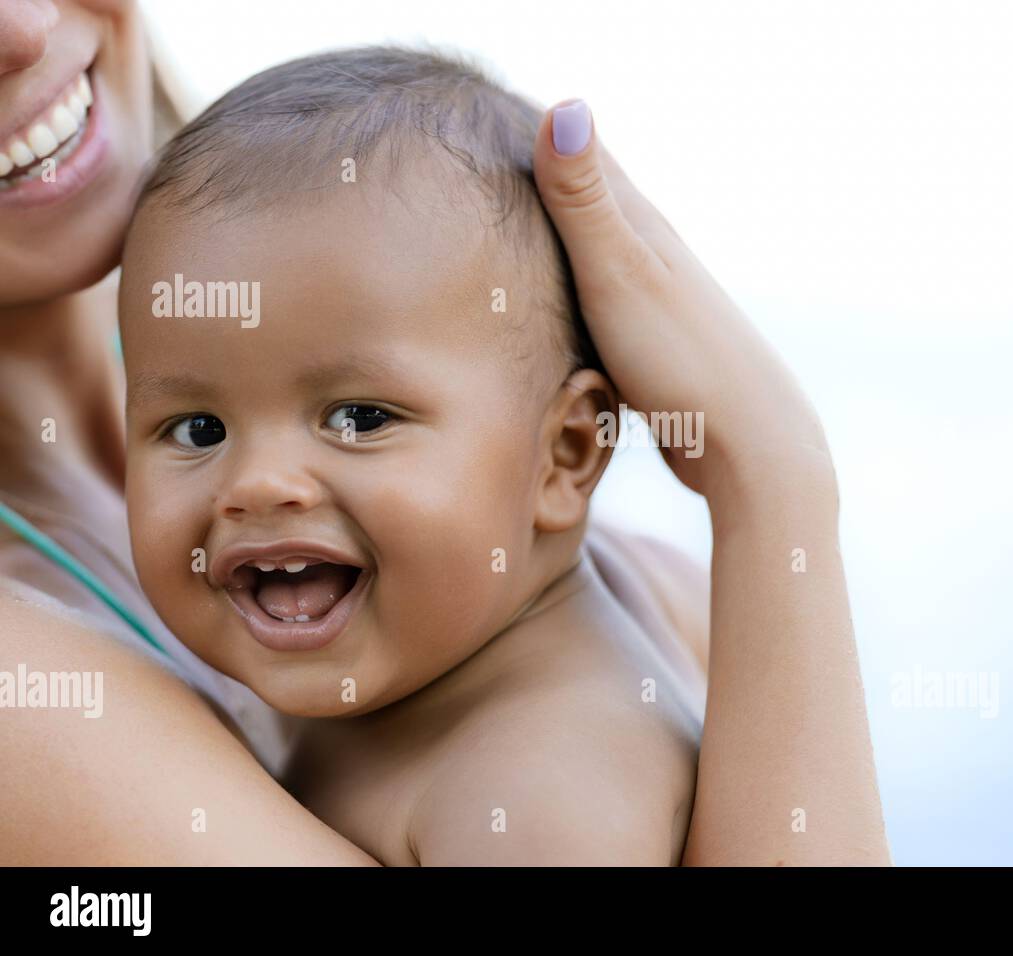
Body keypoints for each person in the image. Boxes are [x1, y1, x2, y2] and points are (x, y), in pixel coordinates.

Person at [0, 0, 889, 866]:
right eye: (198, 429)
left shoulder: (537, 795)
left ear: (569, 452)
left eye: (358, 418)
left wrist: (773, 485)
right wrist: (771, 483)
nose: (260, 482)